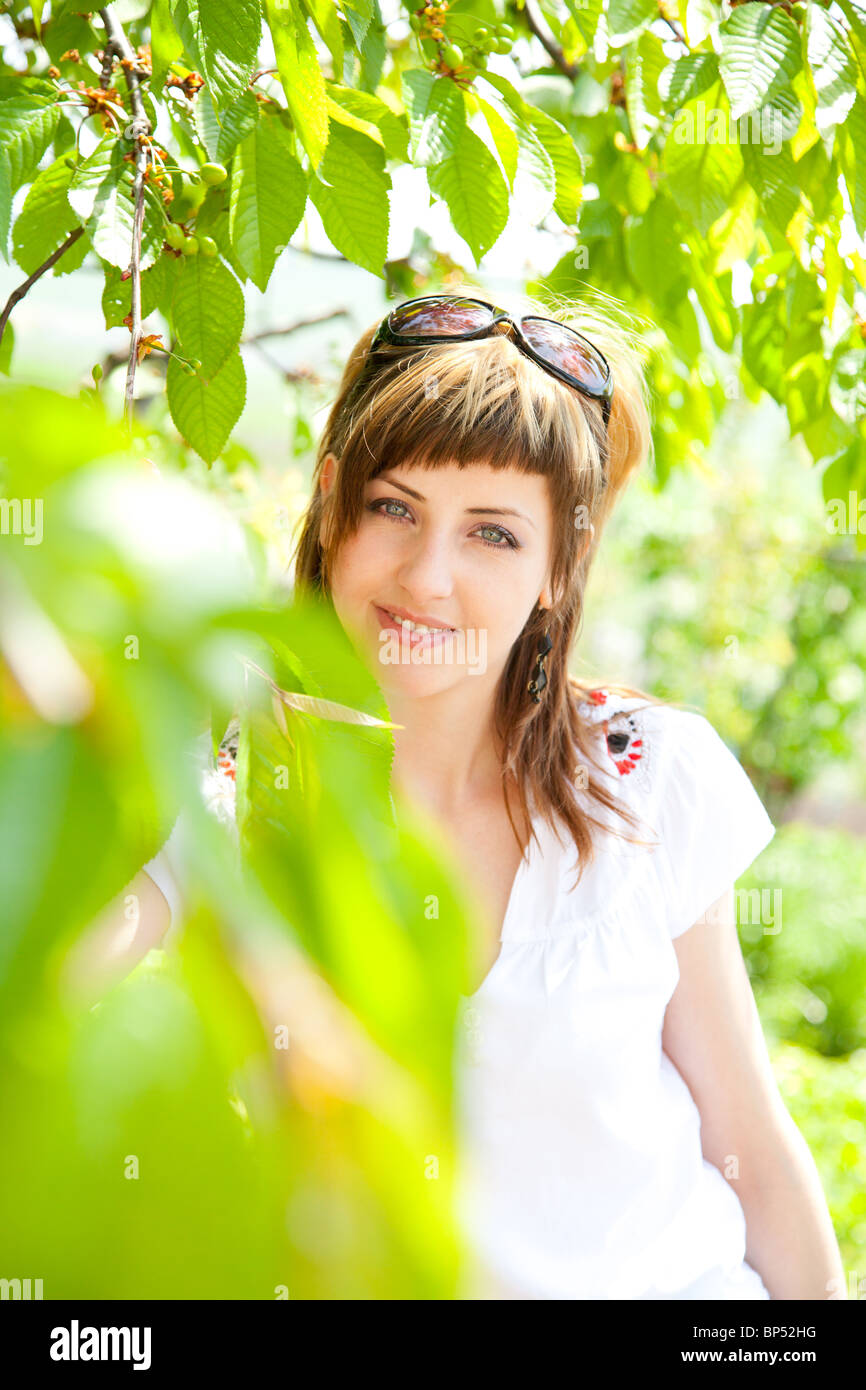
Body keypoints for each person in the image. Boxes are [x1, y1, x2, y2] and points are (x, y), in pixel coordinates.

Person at [91, 288, 846, 1301]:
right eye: (391, 507)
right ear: (329, 502)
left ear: (557, 566)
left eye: (490, 534)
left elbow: (745, 1134)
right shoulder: (226, 788)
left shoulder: (642, 777)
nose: (427, 574)